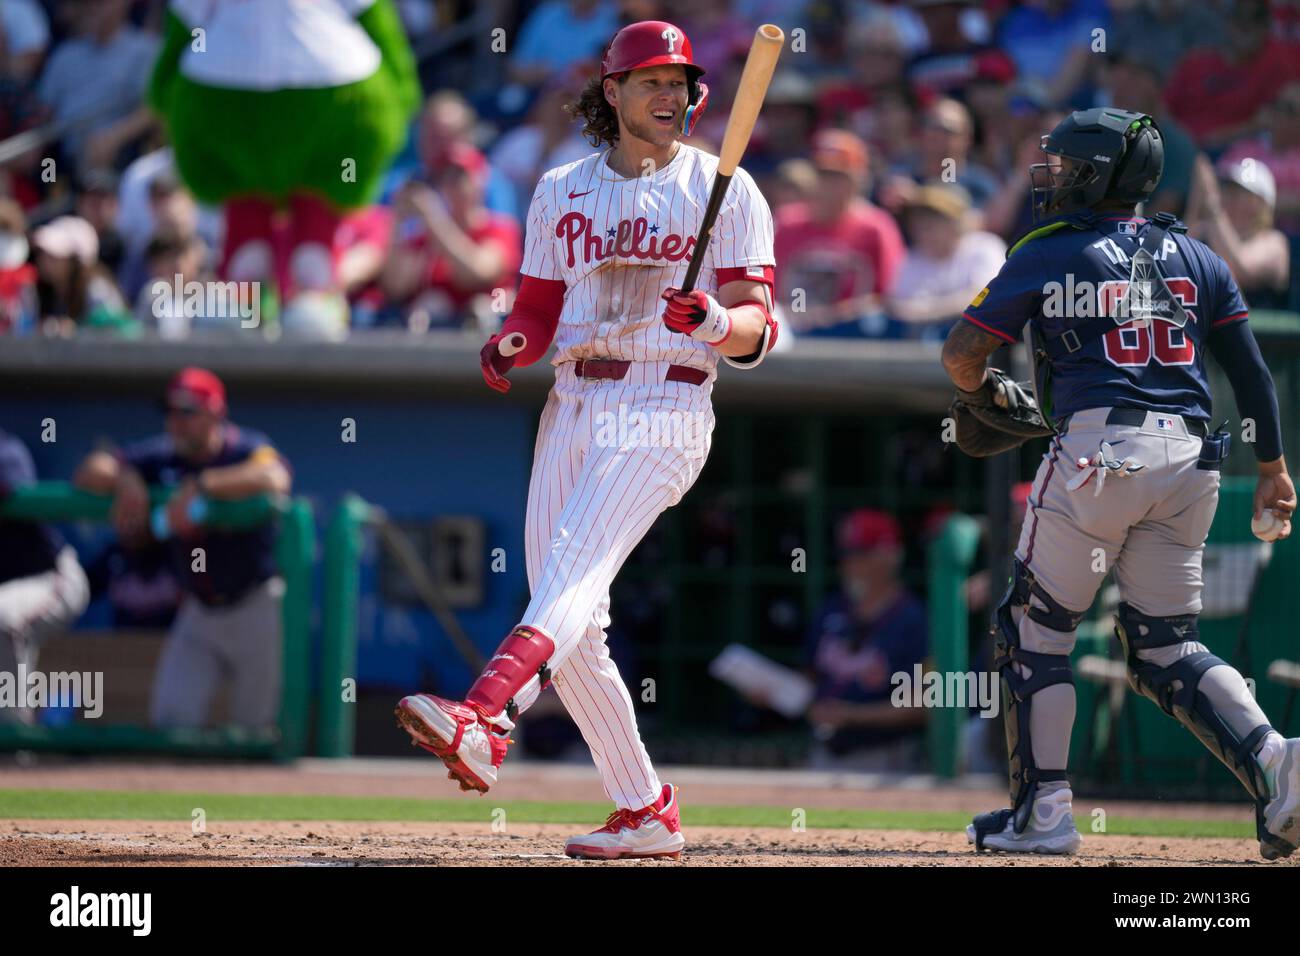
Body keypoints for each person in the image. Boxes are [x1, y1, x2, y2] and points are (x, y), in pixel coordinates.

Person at [394, 20, 778, 861]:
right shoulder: (561, 186)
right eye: (650, 80)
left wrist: (713, 319)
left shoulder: (729, 188)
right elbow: (536, 311)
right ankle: (645, 811)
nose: (669, 94)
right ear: (613, 91)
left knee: (567, 573)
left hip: (665, 402)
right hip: (571, 403)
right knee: (573, 626)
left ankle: (487, 716)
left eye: (679, 81)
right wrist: (510, 344)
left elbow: (757, 332)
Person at [942, 108, 1300, 860]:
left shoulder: (1049, 249)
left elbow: (962, 352)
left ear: (1100, 173)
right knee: (1167, 648)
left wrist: (978, 396)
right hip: (1194, 461)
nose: (1056, 177)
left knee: (1033, 631)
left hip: (1099, 452)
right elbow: (1251, 372)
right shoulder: (1197, 253)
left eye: (1069, 166)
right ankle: (1277, 759)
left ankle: (1044, 815)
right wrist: (1272, 467)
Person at [73, 368, 293, 730]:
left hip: (255, 604)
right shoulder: (161, 455)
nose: (176, 422)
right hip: (198, 611)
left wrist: (207, 484)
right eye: (171, 412)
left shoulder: (244, 447)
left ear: (215, 413)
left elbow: (276, 477)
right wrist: (125, 479)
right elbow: (90, 470)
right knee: (172, 717)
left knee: (255, 727)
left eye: (187, 412)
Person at [806, 510, 928, 771]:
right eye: (845, 556)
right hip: (826, 749)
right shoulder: (832, 609)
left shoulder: (913, 619)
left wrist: (851, 715)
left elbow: (925, 704)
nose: (849, 566)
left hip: (886, 756)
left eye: (860, 555)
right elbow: (810, 679)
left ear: (889, 556)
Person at [773, 129, 905, 337]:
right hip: (792, 329)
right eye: (823, 174)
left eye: (838, 176)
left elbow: (888, 296)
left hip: (851, 332)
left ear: (858, 180)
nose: (828, 185)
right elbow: (769, 288)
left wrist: (832, 316)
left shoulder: (876, 227)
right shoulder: (787, 222)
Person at [379, 144, 522, 330]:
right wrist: (398, 221)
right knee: (429, 304)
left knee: (481, 306)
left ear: (479, 181)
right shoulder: (427, 233)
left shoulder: (499, 228)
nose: (452, 185)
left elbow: (479, 273)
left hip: (490, 330)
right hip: (436, 330)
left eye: (459, 177)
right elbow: (395, 287)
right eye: (445, 178)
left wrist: (434, 217)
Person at [0, 430, 90, 725]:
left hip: (49, 576)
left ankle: (14, 737)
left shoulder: (7, 448)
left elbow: (11, 483)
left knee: (3, 617)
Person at [888, 183, 1005, 341]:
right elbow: (899, 307)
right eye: (918, 219)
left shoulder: (985, 247)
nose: (922, 227)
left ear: (956, 222)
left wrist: (927, 311)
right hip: (922, 345)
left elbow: (985, 298)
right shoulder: (911, 259)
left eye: (934, 218)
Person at [1186, 156, 1290, 310]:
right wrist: (1197, 198)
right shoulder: (1209, 229)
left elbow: (1242, 268)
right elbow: (1179, 258)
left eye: (1243, 194)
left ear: (1263, 204)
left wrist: (1212, 205)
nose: (1232, 199)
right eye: (1228, 190)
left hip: (1257, 333)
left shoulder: (1275, 242)